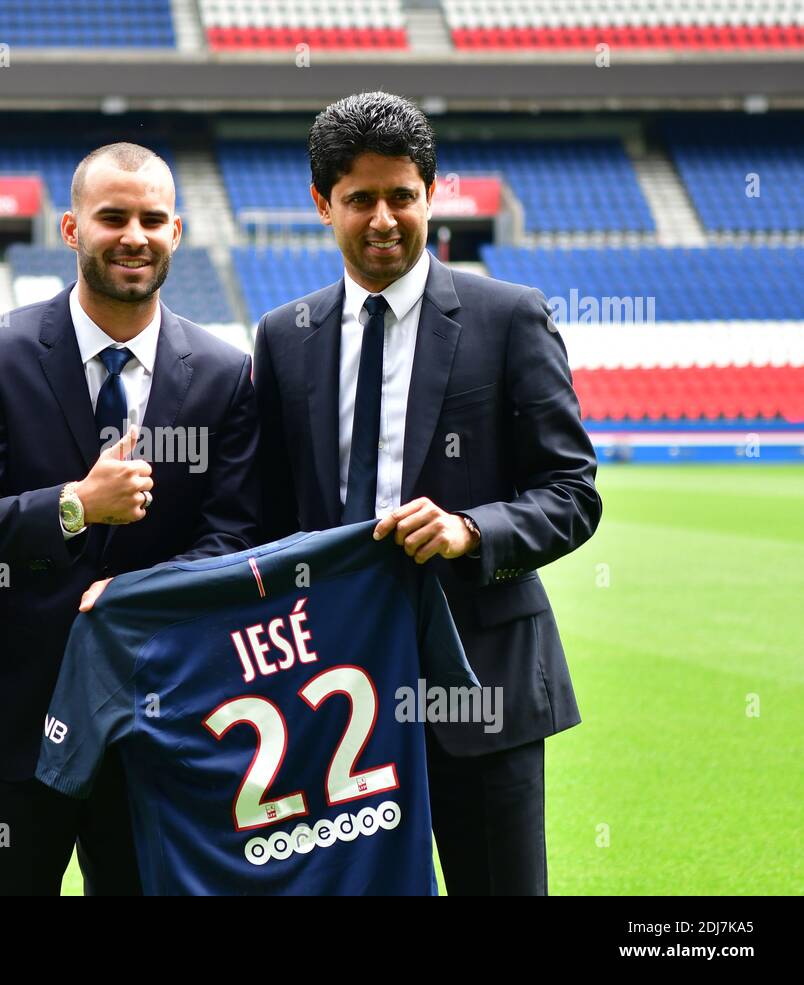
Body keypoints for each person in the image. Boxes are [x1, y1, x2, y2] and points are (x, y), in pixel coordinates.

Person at [252, 91, 602, 895]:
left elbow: (571, 492)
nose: (382, 219)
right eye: (359, 199)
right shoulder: (283, 337)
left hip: (482, 685)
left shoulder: (510, 318)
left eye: (401, 196)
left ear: (432, 194)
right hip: (333, 696)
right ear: (322, 204)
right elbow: (265, 519)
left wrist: (470, 531)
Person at [0, 142, 261, 895]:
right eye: (112, 216)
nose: (134, 235)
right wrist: (75, 506)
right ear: (71, 227)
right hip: (16, 723)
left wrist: (134, 597)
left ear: (177, 231)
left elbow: (236, 537)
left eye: (152, 218)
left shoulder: (223, 375)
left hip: (163, 726)